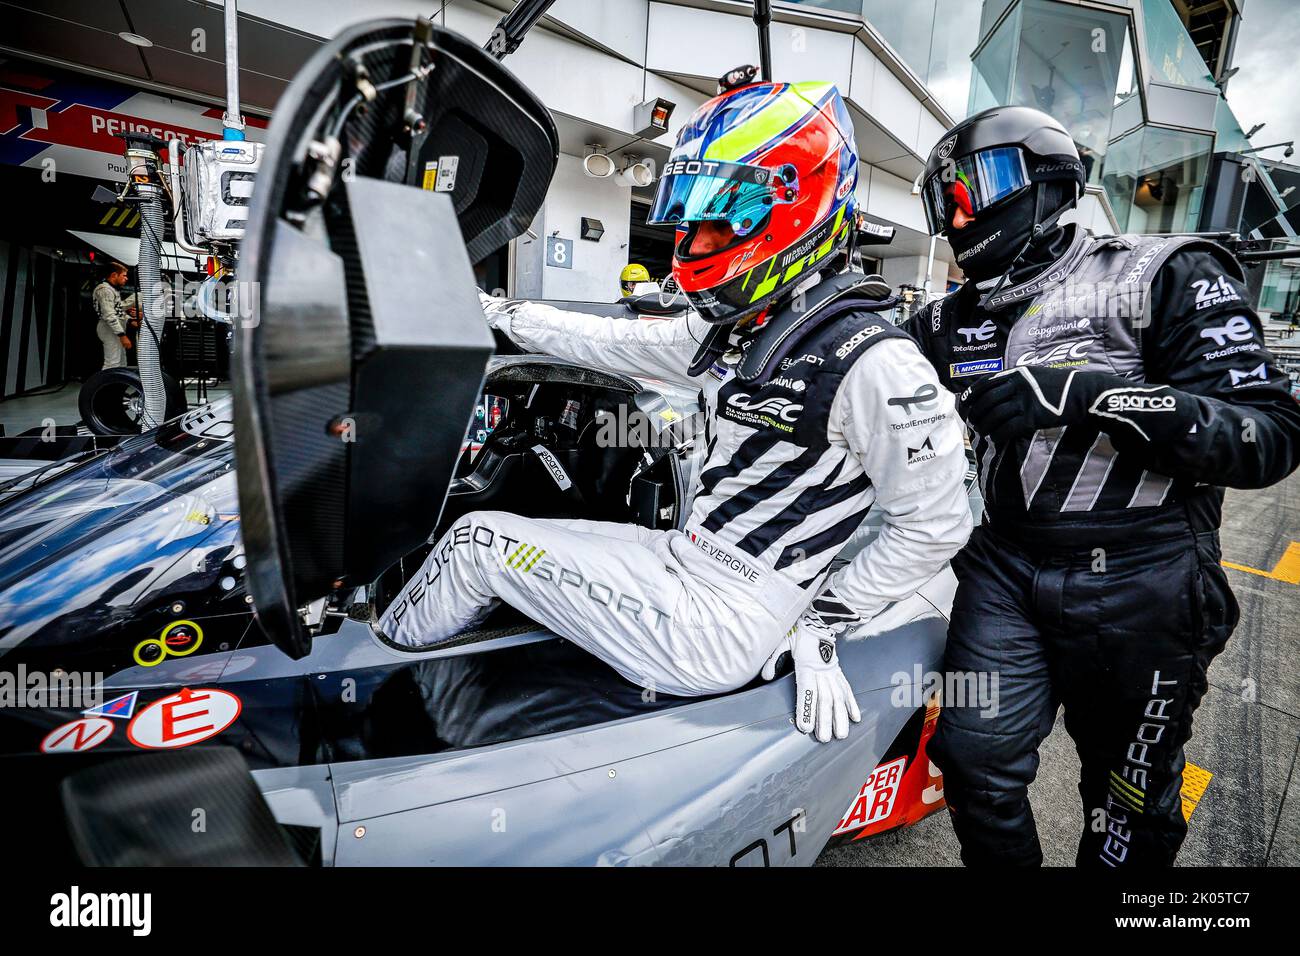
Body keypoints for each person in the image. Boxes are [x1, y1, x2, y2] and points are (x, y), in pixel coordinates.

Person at [381, 77, 972, 741]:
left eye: (717, 221)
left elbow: (938, 524)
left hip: (722, 619)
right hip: (689, 557)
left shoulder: (878, 363)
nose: (692, 242)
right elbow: (606, 339)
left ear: (791, 212)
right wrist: (484, 309)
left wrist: (824, 622)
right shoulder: (743, 328)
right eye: (691, 217)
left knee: (475, 544)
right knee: (508, 524)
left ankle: (364, 703)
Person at [904, 104, 1300, 866]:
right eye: (942, 196)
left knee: (1127, 801)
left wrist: (1094, 396)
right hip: (1002, 568)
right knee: (970, 759)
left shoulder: (1166, 270)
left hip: (1145, 577)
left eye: (975, 185)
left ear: (1053, 183)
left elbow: (1271, 435)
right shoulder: (945, 319)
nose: (957, 210)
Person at [92, 262, 135, 370]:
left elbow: (117, 310)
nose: (126, 279)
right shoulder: (105, 290)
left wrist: (130, 321)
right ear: (114, 275)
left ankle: (117, 386)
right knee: (113, 363)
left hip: (114, 328)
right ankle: (106, 386)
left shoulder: (112, 289)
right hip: (109, 328)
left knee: (121, 362)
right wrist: (122, 336)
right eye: (124, 275)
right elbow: (109, 315)